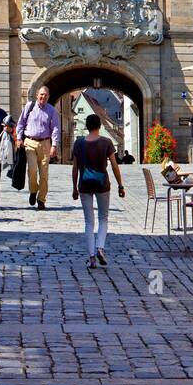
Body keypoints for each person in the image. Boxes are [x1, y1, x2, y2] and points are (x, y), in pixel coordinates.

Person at [71, 113, 125, 270]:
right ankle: (100, 247)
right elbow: (114, 165)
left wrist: (74, 187)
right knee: (103, 218)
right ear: (99, 126)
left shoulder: (79, 143)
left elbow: (75, 168)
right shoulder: (106, 142)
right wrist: (120, 185)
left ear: (87, 126)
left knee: (89, 222)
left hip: (84, 184)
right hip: (102, 184)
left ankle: (91, 258)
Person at [16, 85, 60, 210]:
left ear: (48, 96)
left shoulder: (52, 110)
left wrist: (54, 145)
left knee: (44, 174)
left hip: (45, 143)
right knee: (32, 170)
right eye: (41, 94)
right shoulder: (29, 107)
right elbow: (20, 124)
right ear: (37, 95)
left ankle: (41, 200)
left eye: (46, 95)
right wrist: (19, 138)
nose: (43, 97)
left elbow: (55, 128)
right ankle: (33, 190)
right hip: (30, 142)